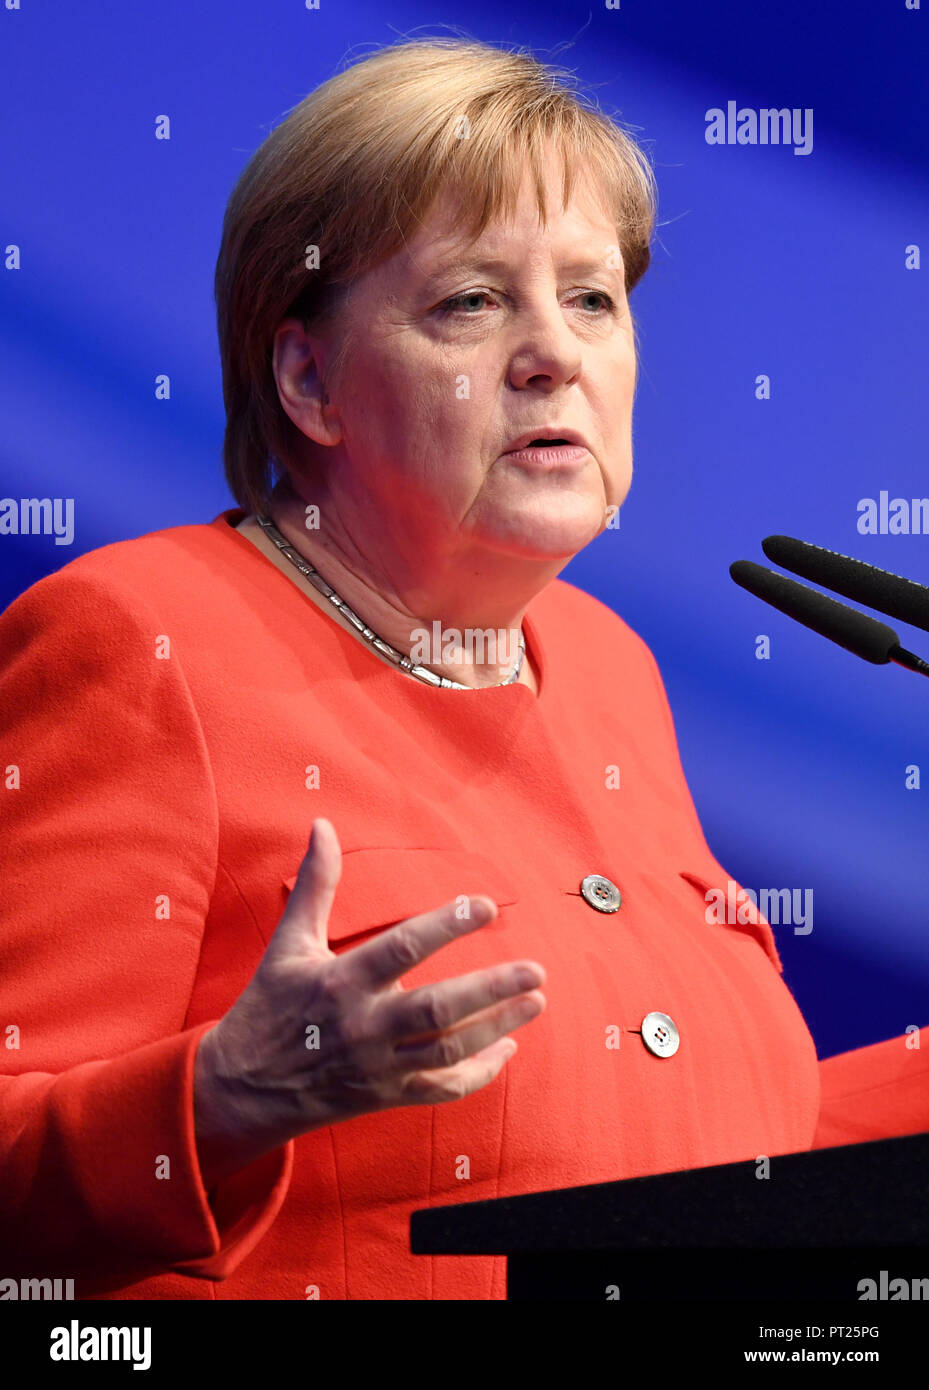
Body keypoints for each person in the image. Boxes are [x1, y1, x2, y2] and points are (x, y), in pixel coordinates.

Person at [1, 37, 926, 1302]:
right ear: (309, 378)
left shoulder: (607, 669)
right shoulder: (139, 638)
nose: (554, 354)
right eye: (471, 302)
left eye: (592, 299)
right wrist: (219, 1102)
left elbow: (691, 1147)